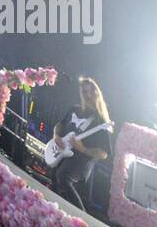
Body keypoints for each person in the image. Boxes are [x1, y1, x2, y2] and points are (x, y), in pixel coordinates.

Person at [48, 76, 112, 209]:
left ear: (97, 94)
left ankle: (81, 219)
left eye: (90, 92)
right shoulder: (74, 109)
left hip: (80, 163)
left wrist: (82, 149)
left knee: (63, 176)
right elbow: (59, 125)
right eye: (84, 92)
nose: (87, 95)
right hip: (62, 153)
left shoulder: (100, 121)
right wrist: (56, 136)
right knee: (55, 177)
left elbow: (103, 153)